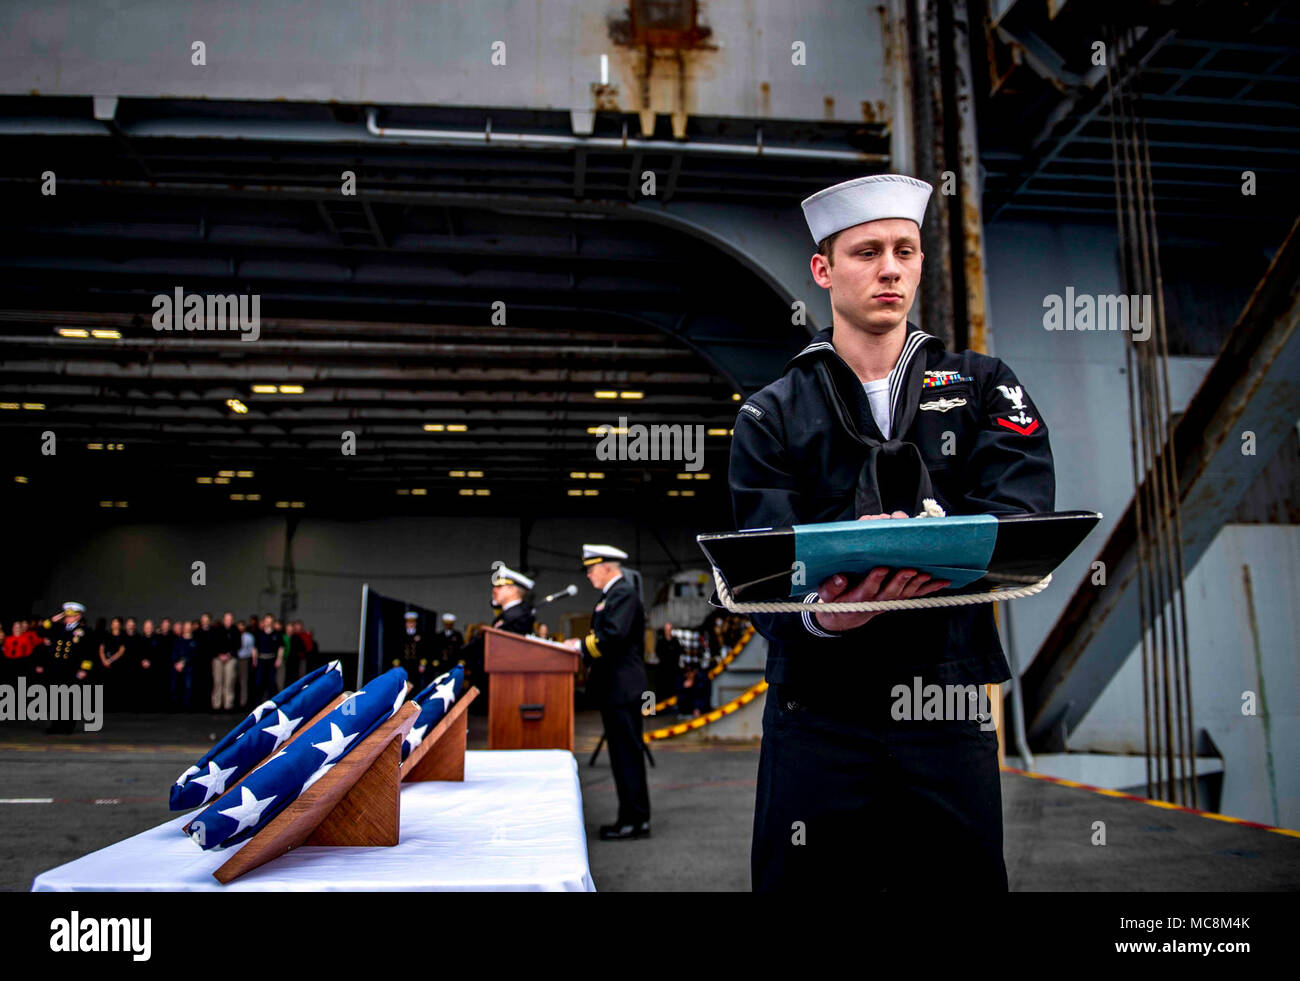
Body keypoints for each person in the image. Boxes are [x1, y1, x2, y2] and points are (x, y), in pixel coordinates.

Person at [730, 173, 1054, 892]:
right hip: (818, 713)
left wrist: (934, 537)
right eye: (867, 251)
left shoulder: (982, 386)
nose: (890, 268)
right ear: (823, 269)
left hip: (947, 699)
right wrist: (824, 616)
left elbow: (1022, 507)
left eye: (905, 250)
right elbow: (759, 560)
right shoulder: (771, 414)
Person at [565, 544, 650, 840]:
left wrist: (578, 646)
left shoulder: (622, 594)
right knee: (622, 755)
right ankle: (632, 817)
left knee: (626, 756)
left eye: (591, 569)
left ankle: (634, 820)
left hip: (622, 687)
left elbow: (613, 636)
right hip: (616, 687)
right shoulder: (613, 595)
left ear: (608, 568)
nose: (589, 576)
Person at [37, 602, 95, 732]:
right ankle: (56, 725)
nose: (67, 618)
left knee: (70, 698)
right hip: (56, 667)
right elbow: (40, 632)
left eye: (71, 615)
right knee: (56, 697)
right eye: (66, 615)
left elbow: (89, 652)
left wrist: (84, 669)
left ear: (78, 616)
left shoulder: (84, 631)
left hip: (72, 669)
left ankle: (68, 726)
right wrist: (51, 620)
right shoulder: (58, 628)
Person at [209, 611, 239, 711]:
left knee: (229, 682)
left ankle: (228, 705)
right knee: (217, 681)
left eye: (230, 620)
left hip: (230, 658)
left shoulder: (236, 631)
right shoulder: (217, 630)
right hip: (218, 658)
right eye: (226, 619)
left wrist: (229, 654)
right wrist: (219, 655)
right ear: (223, 620)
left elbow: (238, 645)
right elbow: (213, 643)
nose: (228, 621)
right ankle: (216, 705)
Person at [253, 614, 283, 703]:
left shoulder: (277, 634)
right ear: (264, 622)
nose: (268, 623)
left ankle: (271, 702)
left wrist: (279, 659)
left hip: (271, 659)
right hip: (261, 659)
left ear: (272, 623)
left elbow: (281, 647)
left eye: (270, 622)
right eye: (267, 621)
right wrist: (254, 659)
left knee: (271, 682)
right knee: (259, 682)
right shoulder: (259, 633)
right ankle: (258, 702)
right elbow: (255, 647)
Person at [170, 620, 197, 711]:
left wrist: (183, 663)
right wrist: (176, 663)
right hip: (176, 666)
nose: (187, 628)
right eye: (186, 627)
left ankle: (187, 706)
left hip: (188, 666)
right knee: (175, 686)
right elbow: (174, 652)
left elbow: (193, 655)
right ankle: (175, 705)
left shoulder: (194, 641)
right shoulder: (178, 640)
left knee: (188, 686)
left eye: (189, 627)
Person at [236, 618, 256, 709]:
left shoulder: (249, 637)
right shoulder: (234, 635)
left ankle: (243, 702)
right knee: (234, 681)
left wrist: (253, 660)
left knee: (244, 680)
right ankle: (235, 701)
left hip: (244, 660)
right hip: (235, 659)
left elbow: (252, 649)